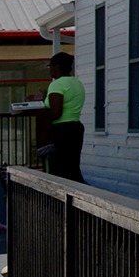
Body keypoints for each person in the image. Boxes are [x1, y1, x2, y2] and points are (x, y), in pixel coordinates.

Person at [44, 53, 84, 183]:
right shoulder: (77, 83)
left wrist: (40, 112)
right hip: (76, 127)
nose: (49, 70)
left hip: (61, 130)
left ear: (57, 67)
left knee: (59, 169)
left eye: (50, 66)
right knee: (72, 166)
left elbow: (56, 113)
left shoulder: (57, 84)